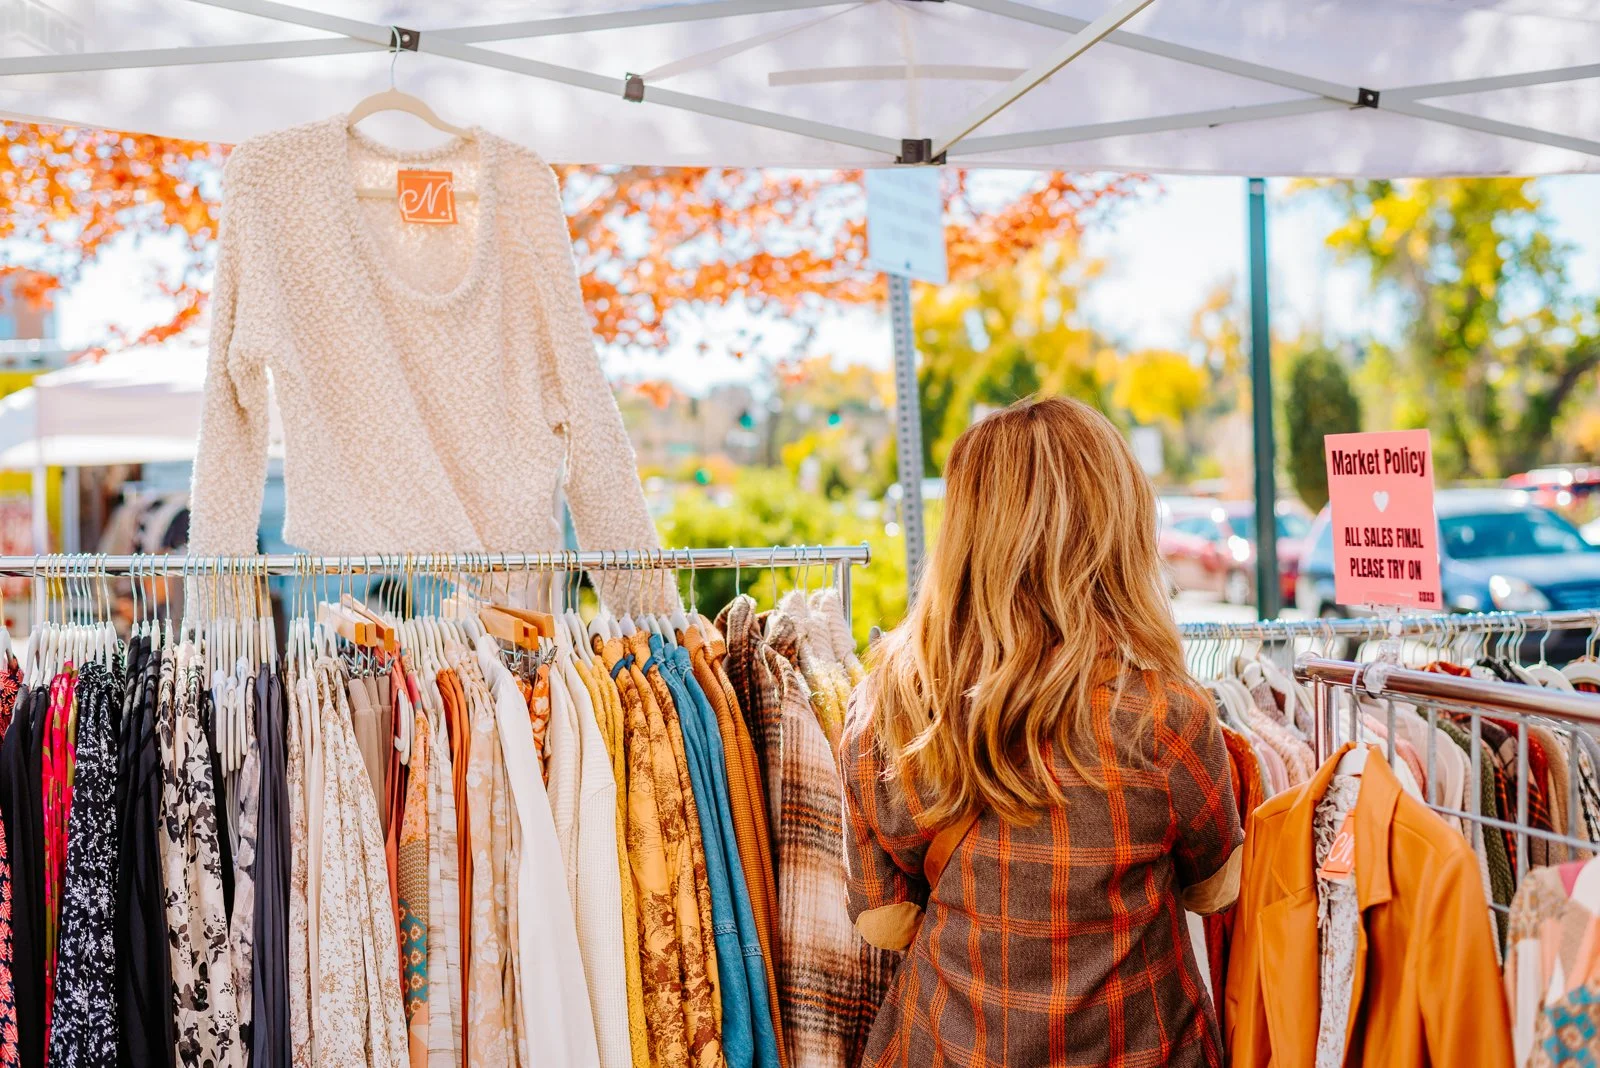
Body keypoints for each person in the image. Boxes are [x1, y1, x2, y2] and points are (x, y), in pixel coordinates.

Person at [842, 395, 1243, 1067]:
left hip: (942, 1046)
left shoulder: (894, 705)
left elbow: (884, 920)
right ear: (1118, 528)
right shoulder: (1168, 715)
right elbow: (1214, 888)